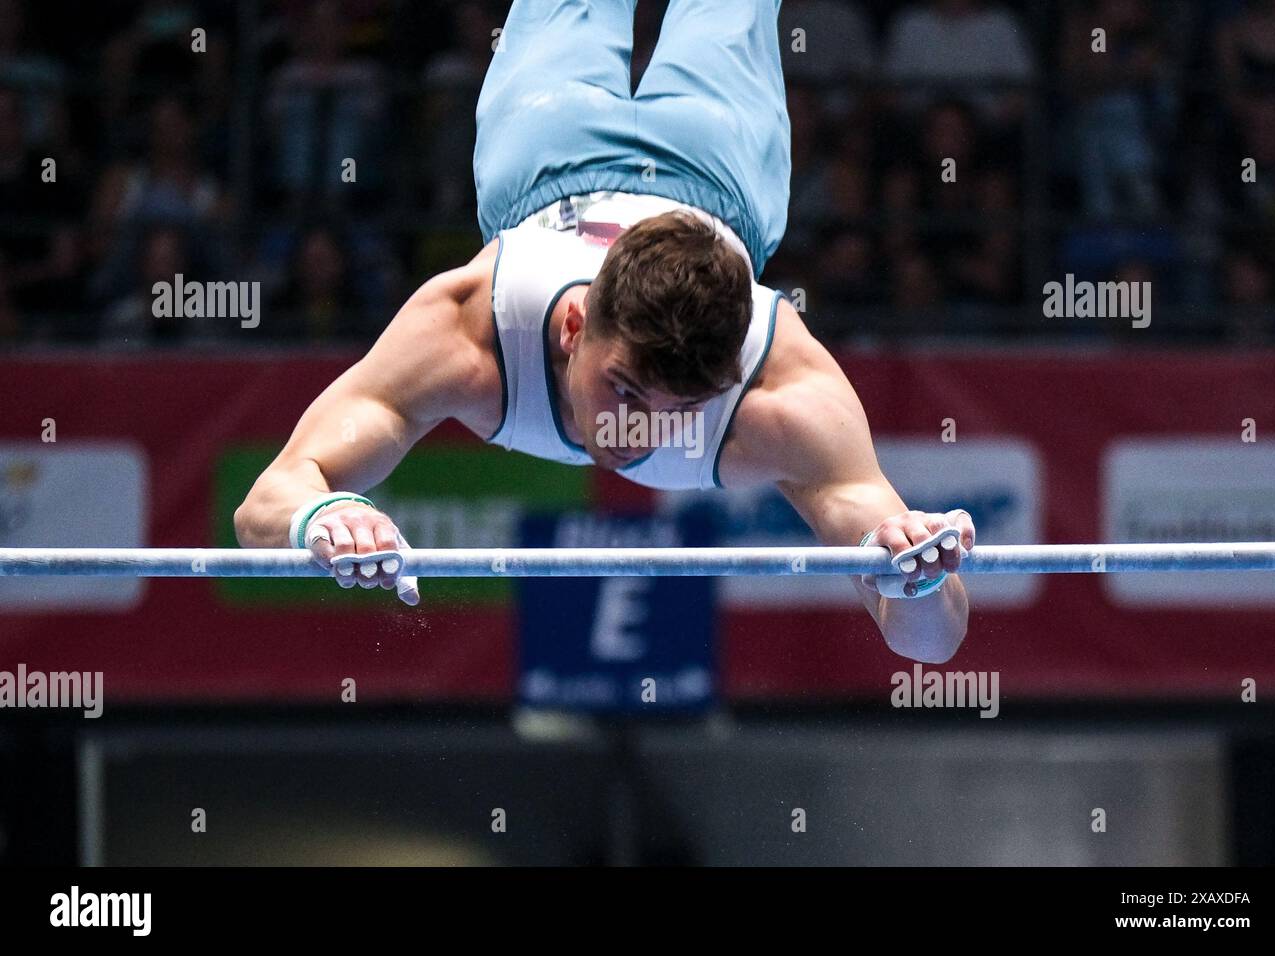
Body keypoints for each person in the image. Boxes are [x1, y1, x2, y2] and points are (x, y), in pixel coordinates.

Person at [235, 0, 975, 663]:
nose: (636, 429)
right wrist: (321, 515)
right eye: (624, 385)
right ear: (570, 324)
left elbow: (931, 644)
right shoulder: (472, 327)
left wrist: (913, 579)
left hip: (579, 141)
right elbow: (265, 504)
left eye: (677, 406)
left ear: (721, 382)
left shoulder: (775, 388)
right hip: (643, 155)